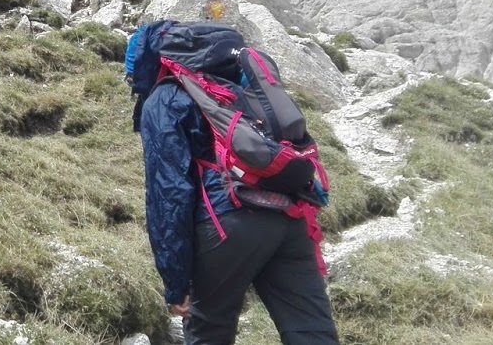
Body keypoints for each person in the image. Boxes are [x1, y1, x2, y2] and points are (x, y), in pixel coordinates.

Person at [131, 23, 340, 345]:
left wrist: (175, 283)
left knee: (209, 329)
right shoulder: (244, 91)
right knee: (311, 332)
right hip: (291, 218)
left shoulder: (165, 97)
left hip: (230, 223)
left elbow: (169, 193)